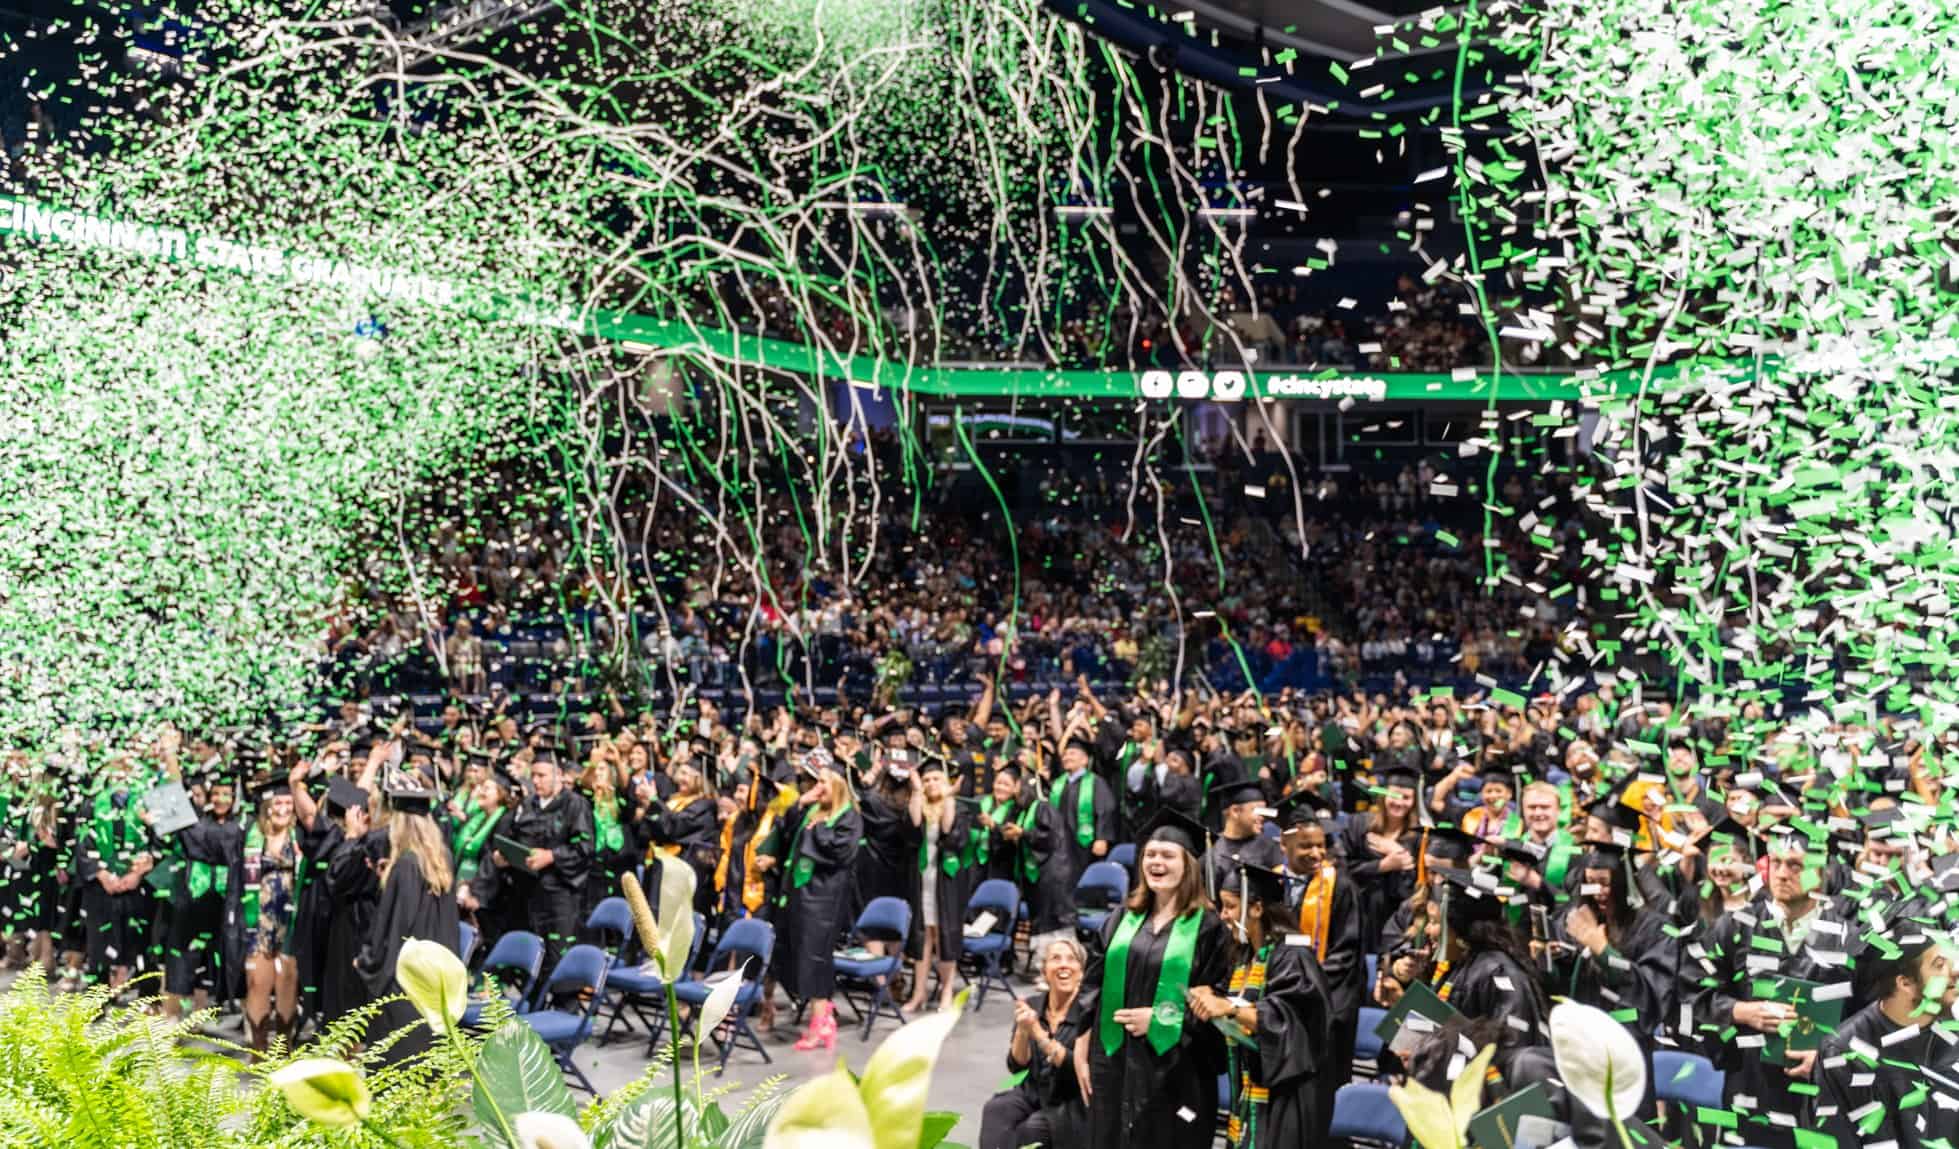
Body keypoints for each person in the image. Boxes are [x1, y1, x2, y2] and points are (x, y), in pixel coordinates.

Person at [1075, 807, 1232, 1149]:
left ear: (1188, 864)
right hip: (1113, 1060)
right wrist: (1080, 1042)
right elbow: (1092, 982)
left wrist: (1162, 1019)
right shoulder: (1123, 916)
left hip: (1175, 1066)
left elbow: (1219, 999)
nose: (1156, 862)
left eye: (1167, 855)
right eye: (1150, 854)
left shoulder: (1209, 928)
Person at [1191, 862, 1334, 1149]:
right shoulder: (1246, 955)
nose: (1223, 915)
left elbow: (1289, 1022)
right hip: (1248, 1087)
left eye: (1230, 907)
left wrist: (1229, 1009)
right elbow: (1237, 998)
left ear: (1256, 908)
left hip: (1284, 1096)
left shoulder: (1293, 955)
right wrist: (1211, 994)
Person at [1813, 932, 1959, 1149]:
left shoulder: (1953, 1036)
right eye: (1939, 965)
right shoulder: (1844, 1053)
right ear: (1905, 983)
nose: (1955, 971)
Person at [356, 773, 462, 1061]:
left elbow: (393, 931)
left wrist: (366, 960)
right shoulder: (442, 859)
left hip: (405, 987)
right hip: (436, 980)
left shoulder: (405, 866)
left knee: (398, 1069)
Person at [767, 762, 861, 1052]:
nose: (818, 787)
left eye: (824, 782)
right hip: (799, 894)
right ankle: (824, 1017)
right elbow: (785, 835)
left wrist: (816, 830)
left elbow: (841, 852)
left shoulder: (850, 817)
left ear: (839, 786)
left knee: (816, 959)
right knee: (795, 955)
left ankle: (819, 1026)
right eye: (816, 781)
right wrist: (799, 804)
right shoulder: (811, 810)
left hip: (824, 900)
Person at [1275, 792, 1363, 1100]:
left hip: (1324, 1005)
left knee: (1319, 1093)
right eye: (1306, 846)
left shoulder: (1341, 887)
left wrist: (1306, 988)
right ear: (1284, 845)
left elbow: (1347, 952)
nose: (1316, 853)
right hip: (1278, 1002)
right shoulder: (1271, 883)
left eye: (1320, 845)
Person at [980, 937, 1090, 1149]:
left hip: (1070, 1100)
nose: (1064, 965)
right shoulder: (1033, 1005)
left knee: (1031, 1130)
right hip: (1034, 1091)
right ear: (1044, 971)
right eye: (1055, 958)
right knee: (996, 1109)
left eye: (1071, 959)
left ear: (1081, 972)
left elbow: (1075, 1067)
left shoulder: (1089, 1012)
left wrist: (1039, 1034)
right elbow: (1017, 1065)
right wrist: (1023, 1030)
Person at [162, 770, 244, 1021]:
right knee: (182, 955)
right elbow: (172, 802)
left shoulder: (240, 826)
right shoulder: (199, 823)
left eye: (226, 794)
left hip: (226, 900)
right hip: (192, 898)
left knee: (212, 958)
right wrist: (170, 760)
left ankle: (199, 1014)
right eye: (215, 794)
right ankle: (173, 1015)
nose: (220, 799)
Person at [507, 751, 594, 970]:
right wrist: (506, 854)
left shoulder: (575, 804)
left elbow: (585, 848)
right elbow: (514, 836)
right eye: (533, 775)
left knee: (558, 956)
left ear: (559, 775)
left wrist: (552, 856)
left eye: (542, 775)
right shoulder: (528, 803)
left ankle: (564, 994)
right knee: (531, 957)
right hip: (529, 891)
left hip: (561, 894)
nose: (536, 781)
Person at [905, 758, 973, 1013]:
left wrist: (949, 798)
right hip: (922, 879)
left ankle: (946, 990)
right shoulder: (919, 805)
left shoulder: (959, 808)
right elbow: (912, 827)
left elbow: (949, 833)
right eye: (926, 780)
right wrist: (915, 791)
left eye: (936, 779)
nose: (931, 783)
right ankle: (919, 992)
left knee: (945, 935)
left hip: (947, 881)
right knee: (923, 934)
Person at [242, 778, 303, 1053]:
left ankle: (283, 1046)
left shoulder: (299, 836)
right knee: (258, 983)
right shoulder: (252, 836)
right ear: (267, 805)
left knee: (287, 982)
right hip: (259, 919)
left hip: (290, 919)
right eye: (278, 803)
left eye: (289, 803)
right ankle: (258, 1049)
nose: (283, 809)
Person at [1341, 767, 1423, 945]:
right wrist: (1383, 865)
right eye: (1394, 795)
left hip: (1393, 919)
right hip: (1356, 912)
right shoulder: (1358, 824)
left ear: (1414, 801)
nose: (1399, 802)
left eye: (1406, 797)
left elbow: (1416, 883)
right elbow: (1342, 867)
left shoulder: (1418, 837)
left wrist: (1395, 849)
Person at [1203, 777, 1284, 892]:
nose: (1262, 817)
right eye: (1258, 811)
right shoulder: (1211, 846)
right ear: (1235, 811)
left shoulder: (1270, 847)